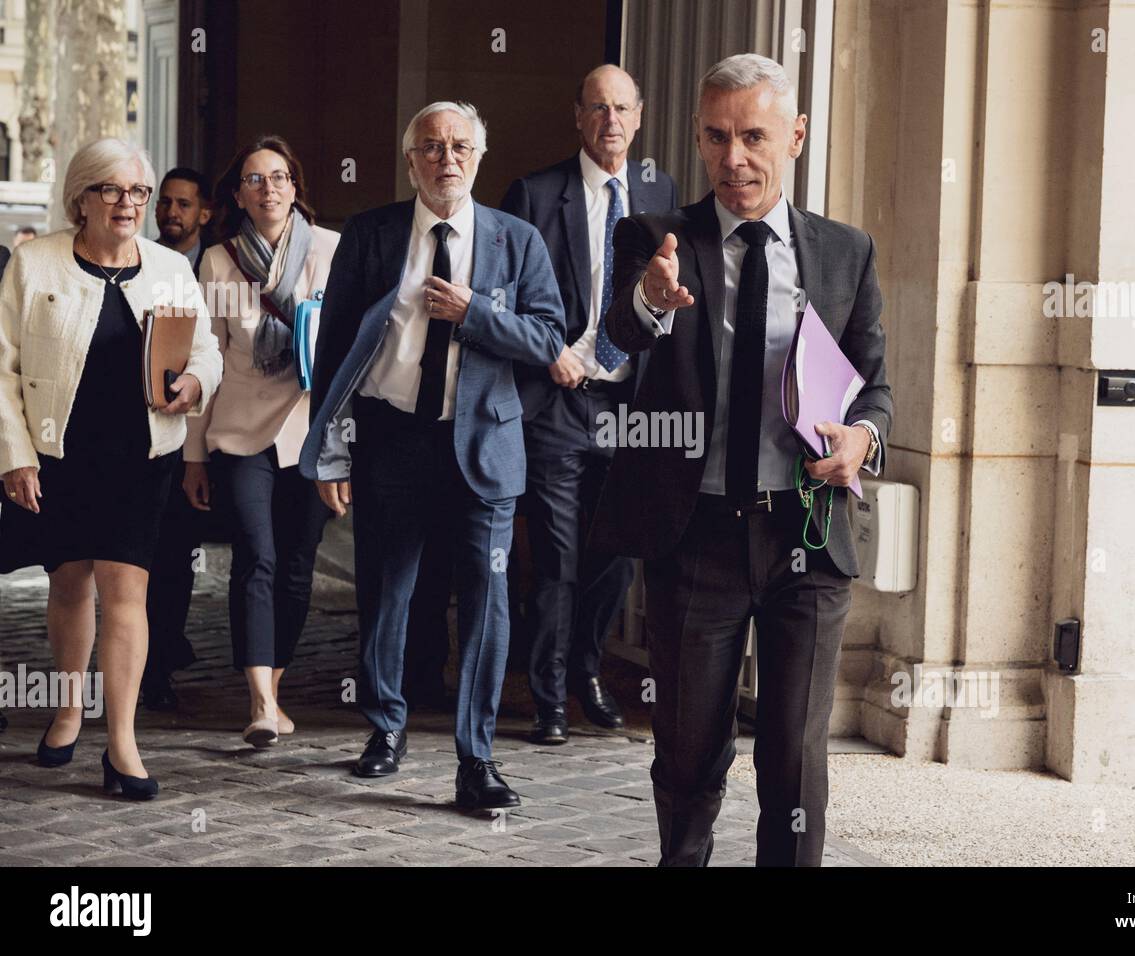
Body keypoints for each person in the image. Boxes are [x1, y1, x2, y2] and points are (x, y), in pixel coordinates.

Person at [590, 54, 893, 866]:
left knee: (793, 761)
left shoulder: (844, 252)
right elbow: (614, 340)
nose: (735, 159)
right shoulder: (655, 240)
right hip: (699, 538)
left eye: (754, 136)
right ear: (696, 138)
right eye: (717, 138)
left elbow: (875, 391)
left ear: (793, 137)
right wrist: (650, 301)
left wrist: (863, 438)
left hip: (808, 536)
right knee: (689, 754)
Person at [300, 101, 565, 809]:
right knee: (387, 594)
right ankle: (385, 727)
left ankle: (476, 760)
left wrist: (475, 312)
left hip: (483, 446)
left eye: (459, 146)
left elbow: (549, 342)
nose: (446, 158)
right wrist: (332, 453)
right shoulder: (372, 234)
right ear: (410, 158)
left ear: (478, 156)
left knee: (486, 604)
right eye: (430, 146)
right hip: (393, 443)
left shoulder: (518, 241)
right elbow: (334, 357)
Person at [0, 137, 222, 800]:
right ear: (83, 197)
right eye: (112, 190)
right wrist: (14, 457)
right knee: (69, 587)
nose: (128, 203)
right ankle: (69, 711)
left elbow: (206, 350)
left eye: (138, 192)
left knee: (127, 594)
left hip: (140, 454)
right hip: (58, 452)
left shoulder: (169, 269)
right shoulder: (33, 263)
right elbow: (2, 368)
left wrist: (195, 385)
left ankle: (122, 742)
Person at [501, 64, 677, 745]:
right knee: (555, 557)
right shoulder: (536, 194)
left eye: (622, 108)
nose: (611, 121)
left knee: (618, 554)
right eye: (598, 108)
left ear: (639, 117)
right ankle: (547, 696)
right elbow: (505, 296)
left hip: (631, 406)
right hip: (557, 400)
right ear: (578, 115)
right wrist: (550, 351)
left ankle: (586, 669)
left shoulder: (660, 192)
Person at [182, 136, 340, 748]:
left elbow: (354, 359)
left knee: (297, 565)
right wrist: (195, 454)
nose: (268, 188)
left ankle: (274, 690)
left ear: (295, 187)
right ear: (239, 196)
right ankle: (260, 702)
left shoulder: (331, 251)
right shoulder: (218, 262)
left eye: (279, 177)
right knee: (257, 556)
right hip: (239, 432)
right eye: (254, 179)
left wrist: (345, 449)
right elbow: (208, 360)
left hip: (310, 433)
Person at [142, 166, 216, 710]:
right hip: (146, 432)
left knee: (178, 553)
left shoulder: (218, 267)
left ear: (204, 213)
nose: (171, 212)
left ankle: (163, 656)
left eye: (183, 204)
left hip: (204, 433)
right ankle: (148, 664)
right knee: (145, 553)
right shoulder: (141, 261)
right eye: (164, 202)